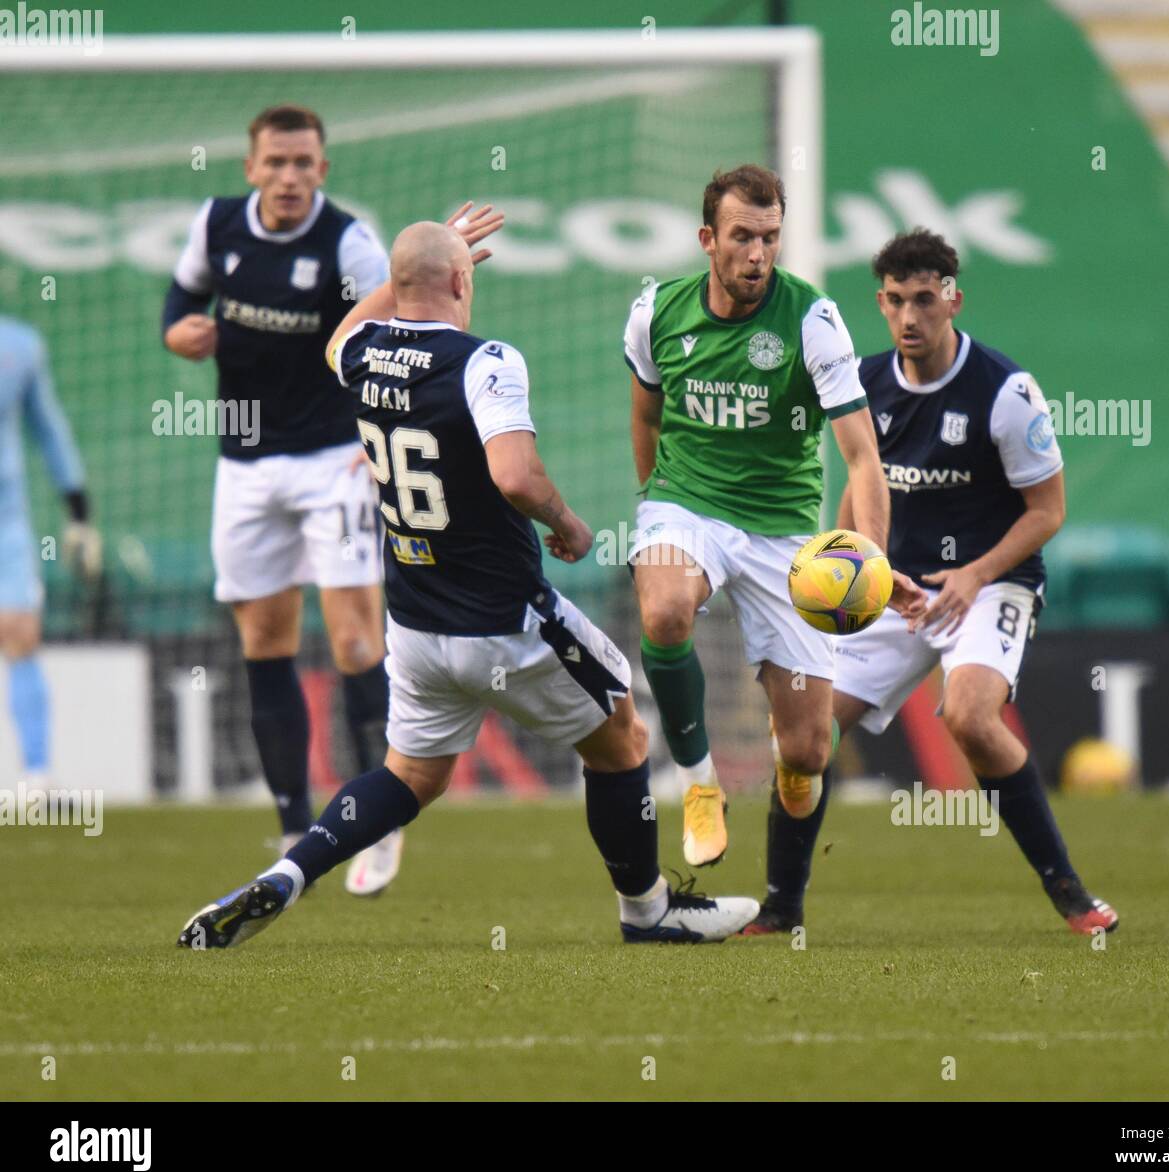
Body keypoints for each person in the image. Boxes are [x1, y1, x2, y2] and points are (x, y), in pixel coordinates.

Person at [176, 222, 759, 949]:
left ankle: (289, 873)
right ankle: (648, 910)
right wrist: (569, 522)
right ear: (460, 281)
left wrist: (418, 258)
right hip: (505, 617)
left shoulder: (360, 353)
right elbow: (514, 474)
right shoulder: (486, 361)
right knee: (622, 738)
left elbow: (347, 332)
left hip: (417, 625)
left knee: (410, 774)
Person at [162, 102, 501, 895]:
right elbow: (175, 311)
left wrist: (438, 259)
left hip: (331, 460)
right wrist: (183, 333)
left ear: (323, 168)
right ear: (250, 167)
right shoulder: (215, 228)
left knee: (354, 643)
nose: (288, 176)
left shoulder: (346, 240)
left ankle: (378, 823)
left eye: (303, 162)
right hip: (244, 465)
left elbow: (390, 317)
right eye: (275, 162)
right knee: (265, 641)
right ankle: (290, 825)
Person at [747, 228, 1119, 936]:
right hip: (895, 584)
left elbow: (1049, 511)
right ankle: (781, 907)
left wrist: (973, 577)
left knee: (970, 716)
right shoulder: (864, 383)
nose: (909, 317)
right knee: (804, 737)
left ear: (954, 299)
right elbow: (858, 498)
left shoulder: (1007, 392)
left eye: (924, 299)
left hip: (990, 581)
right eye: (895, 301)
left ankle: (1071, 892)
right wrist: (867, 578)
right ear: (880, 304)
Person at [623, 164, 924, 868]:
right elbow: (645, 410)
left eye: (770, 237)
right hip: (686, 502)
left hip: (783, 529)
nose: (757, 253)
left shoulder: (812, 320)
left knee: (808, 753)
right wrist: (653, 506)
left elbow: (863, 458)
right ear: (707, 239)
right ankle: (699, 783)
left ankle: (788, 761)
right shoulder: (655, 313)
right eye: (741, 237)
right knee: (664, 610)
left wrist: (870, 560)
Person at [0, 315, 100, 787]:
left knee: (19, 632)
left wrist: (77, 509)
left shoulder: (19, 346)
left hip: (7, 519)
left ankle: (37, 774)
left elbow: (48, 428)